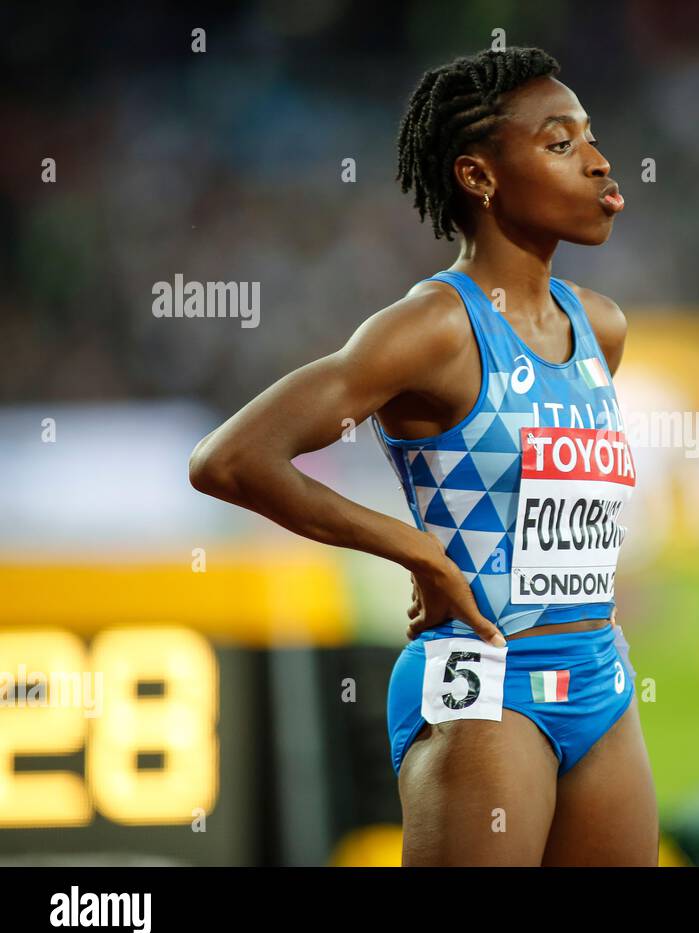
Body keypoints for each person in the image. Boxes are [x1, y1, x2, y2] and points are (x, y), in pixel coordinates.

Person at [188, 47, 657, 865]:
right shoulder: (435, 329)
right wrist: (419, 553)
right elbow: (232, 459)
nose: (598, 159)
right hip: (485, 684)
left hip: (601, 682)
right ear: (478, 177)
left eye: (591, 136)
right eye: (559, 142)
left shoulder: (600, 328)